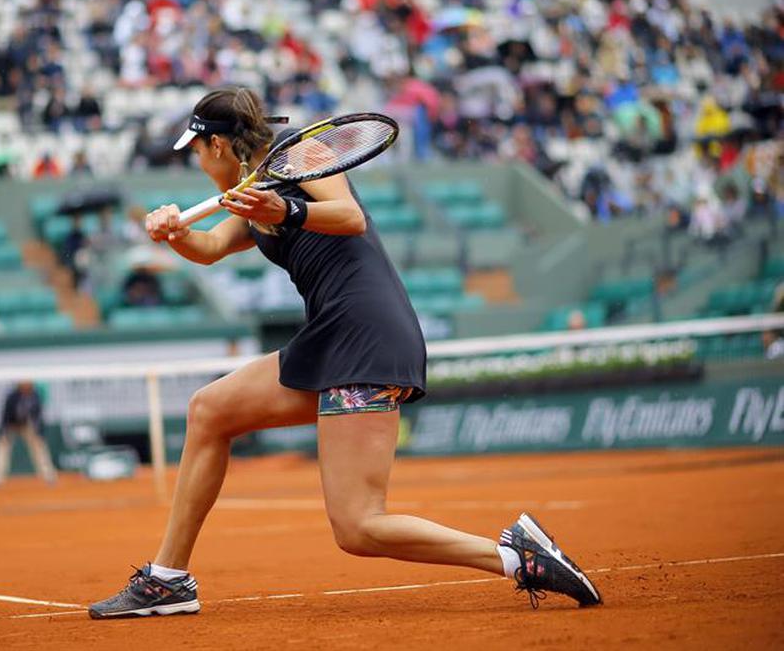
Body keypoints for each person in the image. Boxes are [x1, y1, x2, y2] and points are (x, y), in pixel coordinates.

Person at [88, 87, 601, 619]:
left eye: (195, 151)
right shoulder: (250, 191)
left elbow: (348, 215)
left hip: (365, 335)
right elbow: (212, 248)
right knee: (210, 410)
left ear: (216, 144)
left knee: (358, 526)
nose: (197, 162)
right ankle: (168, 580)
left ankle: (516, 557)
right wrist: (173, 232)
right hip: (333, 335)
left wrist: (284, 208)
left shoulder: (299, 153)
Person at [0, 382, 57, 486]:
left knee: (39, 446)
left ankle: (49, 476)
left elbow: (38, 416)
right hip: (11, 425)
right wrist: (3, 433)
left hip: (27, 424)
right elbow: (5, 416)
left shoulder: (35, 395)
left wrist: (38, 433)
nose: (27, 384)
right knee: (1, 447)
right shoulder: (11, 396)